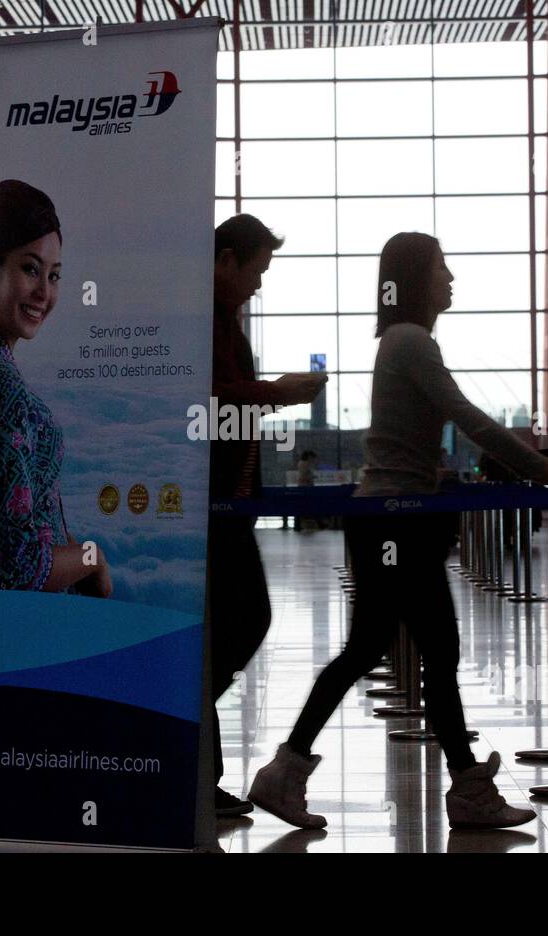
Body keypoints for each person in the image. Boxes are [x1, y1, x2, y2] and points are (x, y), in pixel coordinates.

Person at [248, 232, 548, 830]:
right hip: (394, 520)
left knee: (389, 649)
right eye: (441, 269)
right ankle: (463, 791)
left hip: (392, 519)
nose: (451, 279)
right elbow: (469, 417)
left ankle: (290, 772)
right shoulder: (409, 341)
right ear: (415, 278)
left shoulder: (404, 341)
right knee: (426, 651)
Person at [209, 214, 328, 817]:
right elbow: (211, 398)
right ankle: (196, 762)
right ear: (226, 260)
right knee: (243, 619)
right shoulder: (206, 324)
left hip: (228, 503)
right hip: (210, 507)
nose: (257, 285)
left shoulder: (224, 323)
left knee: (230, 626)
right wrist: (279, 391)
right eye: (254, 271)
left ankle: (202, 773)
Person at [0, 179, 111, 597]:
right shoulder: (8, 392)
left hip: (16, 617)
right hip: (32, 623)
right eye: (30, 269)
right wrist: (93, 558)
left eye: (54, 275)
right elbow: (21, 567)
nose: (44, 293)